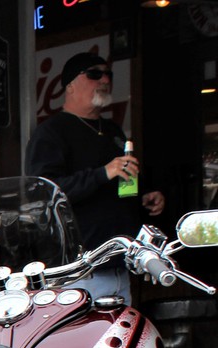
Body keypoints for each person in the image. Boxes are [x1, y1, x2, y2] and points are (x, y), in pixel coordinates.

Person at [25, 52, 165, 304]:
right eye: (94, 74)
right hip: (78, 270)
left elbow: (118, 187)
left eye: (108, 74)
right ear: (69, 85)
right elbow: (44, 193)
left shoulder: (112, 130)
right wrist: (103, 173)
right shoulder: (51, 132)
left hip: (120, 264)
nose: (104, 80)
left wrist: (144, 196)